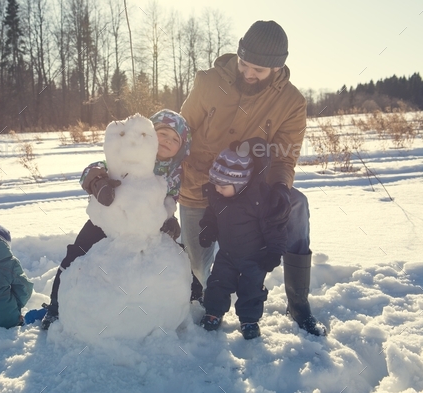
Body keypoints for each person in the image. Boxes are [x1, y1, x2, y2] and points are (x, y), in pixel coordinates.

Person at [179, 20, 326, 335]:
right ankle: (204, 297)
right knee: (203, 272)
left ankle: (299, 305)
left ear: (277, 67)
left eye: (257, 70)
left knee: (297, 206)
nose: (247, 73)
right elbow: (183, 130)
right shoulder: (208, 82)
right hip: (199, 187)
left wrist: (279, 192)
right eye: (243, 64)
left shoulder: (291, 102)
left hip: (251, 191)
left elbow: (285, 157)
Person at [41, 109, 192, 330]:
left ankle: (187, 299)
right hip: (107, 218)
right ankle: (55, 307)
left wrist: (167, 219)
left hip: (143, 224)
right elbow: (91, 170)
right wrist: (98, 183)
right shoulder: (125, 155)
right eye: (163, 134)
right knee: (76, 253)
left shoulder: (174, 172)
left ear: (182, 147)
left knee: (177, 255)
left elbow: (170, 199)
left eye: (174, 139)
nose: (167, 141)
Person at [198, 138, 286, 339]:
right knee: (217, 283)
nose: (217, 189)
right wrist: (208, 229)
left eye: (223, 185)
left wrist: (274, 252)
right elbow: (211, 214)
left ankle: (249, 320)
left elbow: (274, 227)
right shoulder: (218, 196)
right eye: (215, 183)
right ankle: (213, 312)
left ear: (239, 183)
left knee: (252, 289)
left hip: (255, 256)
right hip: (227, 253)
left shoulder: (260, 199)